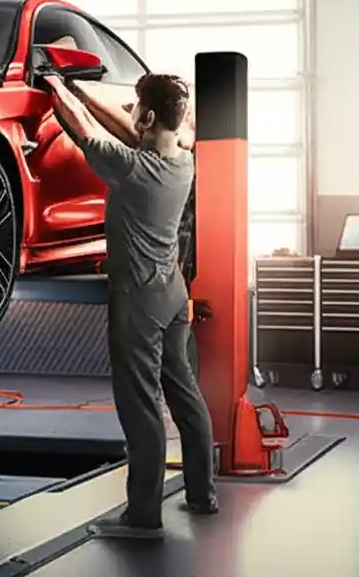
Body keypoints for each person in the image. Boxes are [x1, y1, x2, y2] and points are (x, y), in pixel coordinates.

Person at [43, 72, 217, 540]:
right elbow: (119, 126)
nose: (130, 114)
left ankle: (142, 516)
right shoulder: (184, 163)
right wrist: (82, 90)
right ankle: (202, 495)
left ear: (150, 115)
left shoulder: (131, 167)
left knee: (141, 408)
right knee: (184, 393)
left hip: (136, 300)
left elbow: (79, 128)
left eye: (136, 107)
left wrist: (54, 84)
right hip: (172, 296)